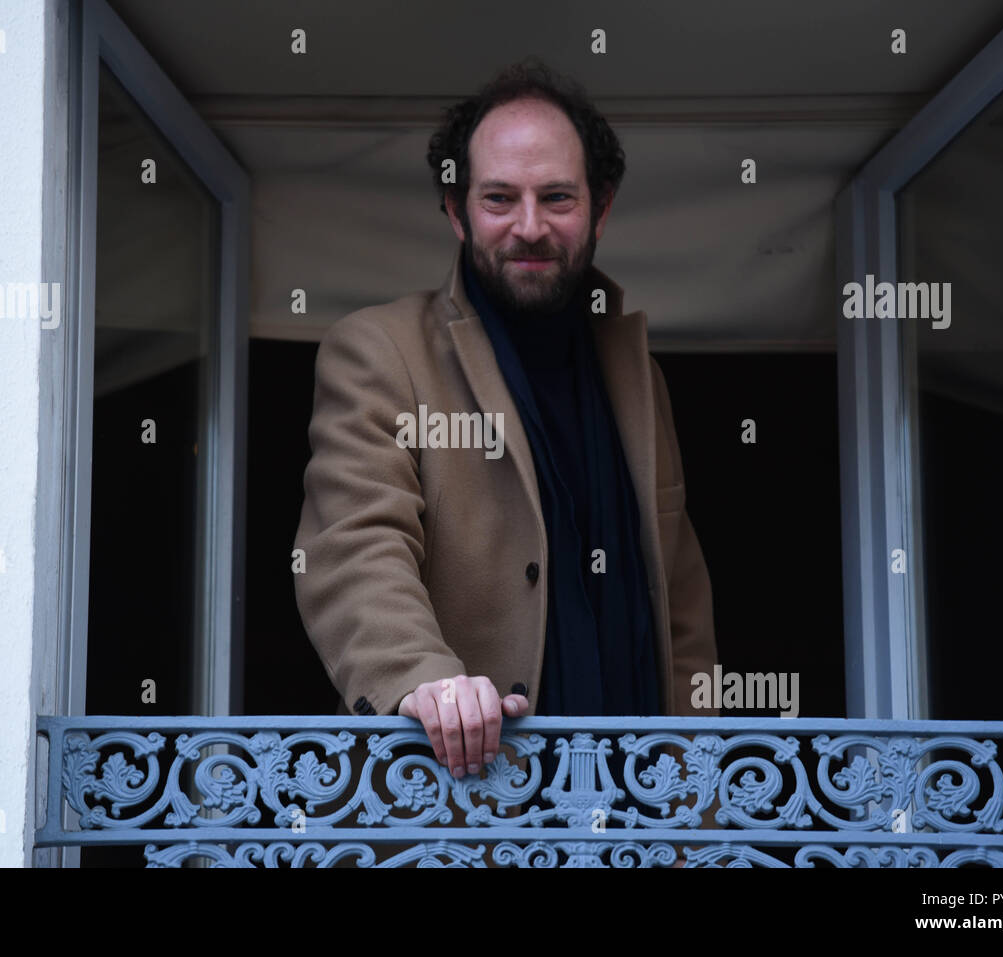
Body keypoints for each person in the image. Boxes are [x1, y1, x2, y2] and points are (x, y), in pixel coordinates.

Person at [293, 59, 718, 783]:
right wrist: (420, 677)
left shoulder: (640, 376)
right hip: (456, 812)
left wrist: (697, 797)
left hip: (640, 818)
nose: (529, 226)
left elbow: (681, 610)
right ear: (456, 210)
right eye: (499, 198)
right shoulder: (378, 350)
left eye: (557, 197)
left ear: (600, 209)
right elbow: (354, 545)